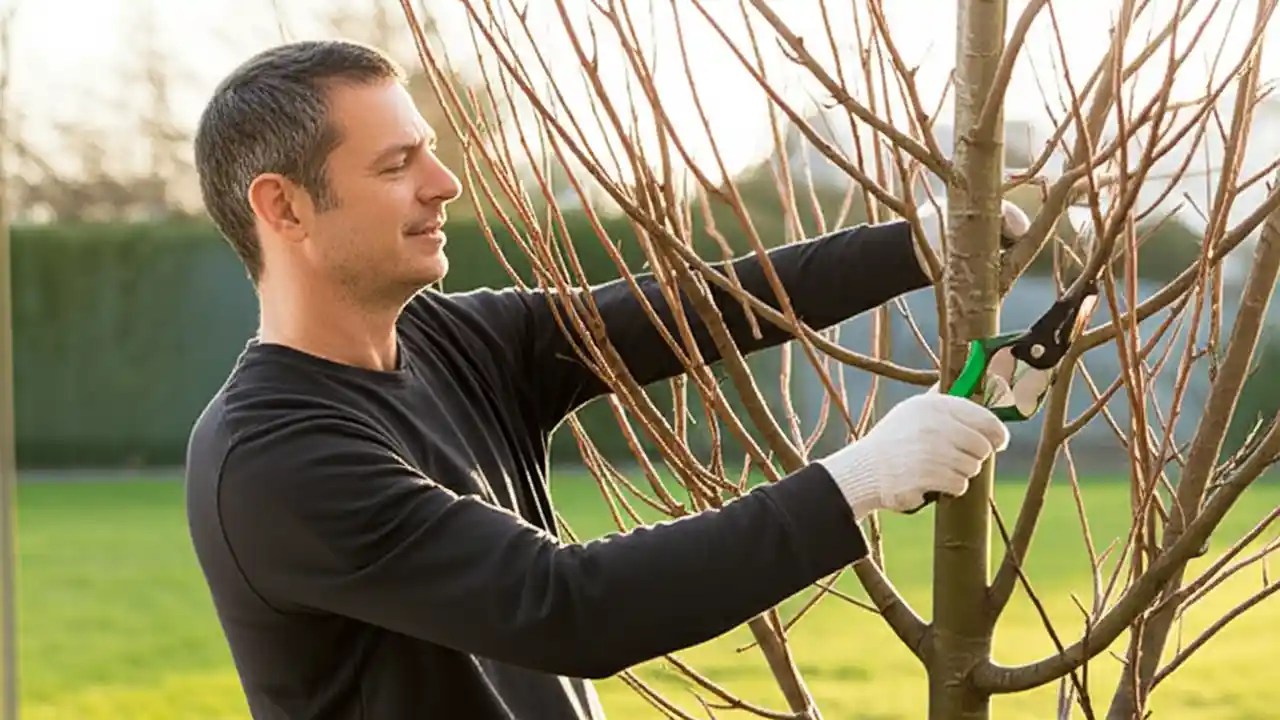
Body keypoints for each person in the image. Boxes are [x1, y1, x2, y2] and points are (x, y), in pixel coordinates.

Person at [184, 38, 1025, 720]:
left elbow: (691, 312)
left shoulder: (451, 339)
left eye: (430, 153)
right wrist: (857, 482)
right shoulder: (274, 462)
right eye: (396, 164)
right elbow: (568, 608)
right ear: (284, 207)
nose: (443, 185)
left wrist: (920, 247)